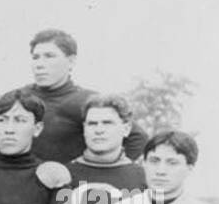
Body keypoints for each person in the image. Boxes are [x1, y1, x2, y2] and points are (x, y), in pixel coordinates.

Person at [20, 28, 147, 163]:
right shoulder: (19, 98)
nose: (40, 64)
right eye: (35, 57)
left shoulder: (86, 101)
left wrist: (108, 171)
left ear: (71, 61)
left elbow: (138, 138)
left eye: (49, 56)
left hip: (71, 182)